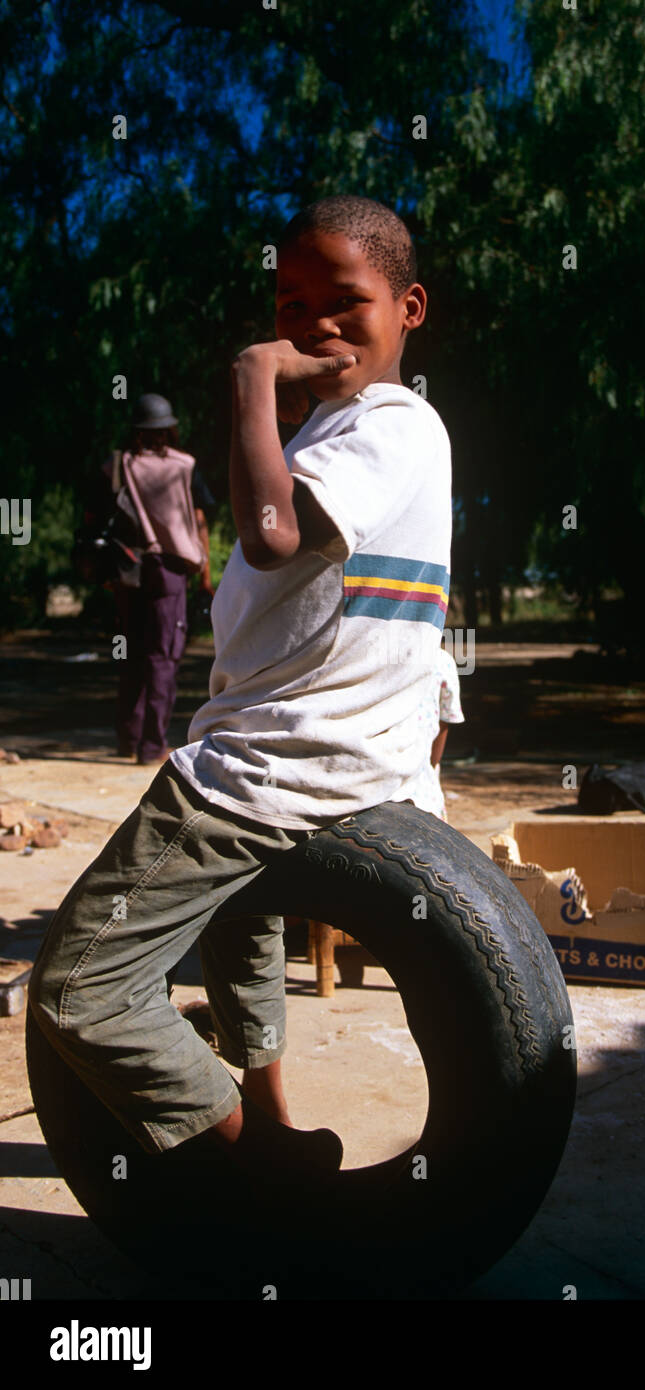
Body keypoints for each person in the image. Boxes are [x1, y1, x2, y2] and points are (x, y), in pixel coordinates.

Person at [29, 196, 451, 1189]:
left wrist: (253, 377)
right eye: (290, 303)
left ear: (411, 308)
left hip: (272, 763)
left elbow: (266, 534)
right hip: (329, 756)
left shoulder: (388, 423)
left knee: (79, 987)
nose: (316, 326)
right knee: (241, 923)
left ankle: (256, 1176)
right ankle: (272, 1114)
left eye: (348, 301)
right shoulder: (350, 436)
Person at [101, 395, 216, 764]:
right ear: (169, 427)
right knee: (162, 658)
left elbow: (96, 519)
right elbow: (198, 522)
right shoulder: (185, 466)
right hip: (168, 573)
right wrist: (205, 576)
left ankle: (127, 738)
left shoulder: (118, 465)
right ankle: (152, 746)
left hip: (128, 573)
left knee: (132, 655)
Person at [410, 642, 465, 822]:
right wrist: (432, 764)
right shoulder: (442, 660)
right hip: (422, 791)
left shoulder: (368, 656)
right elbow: (446, 720)